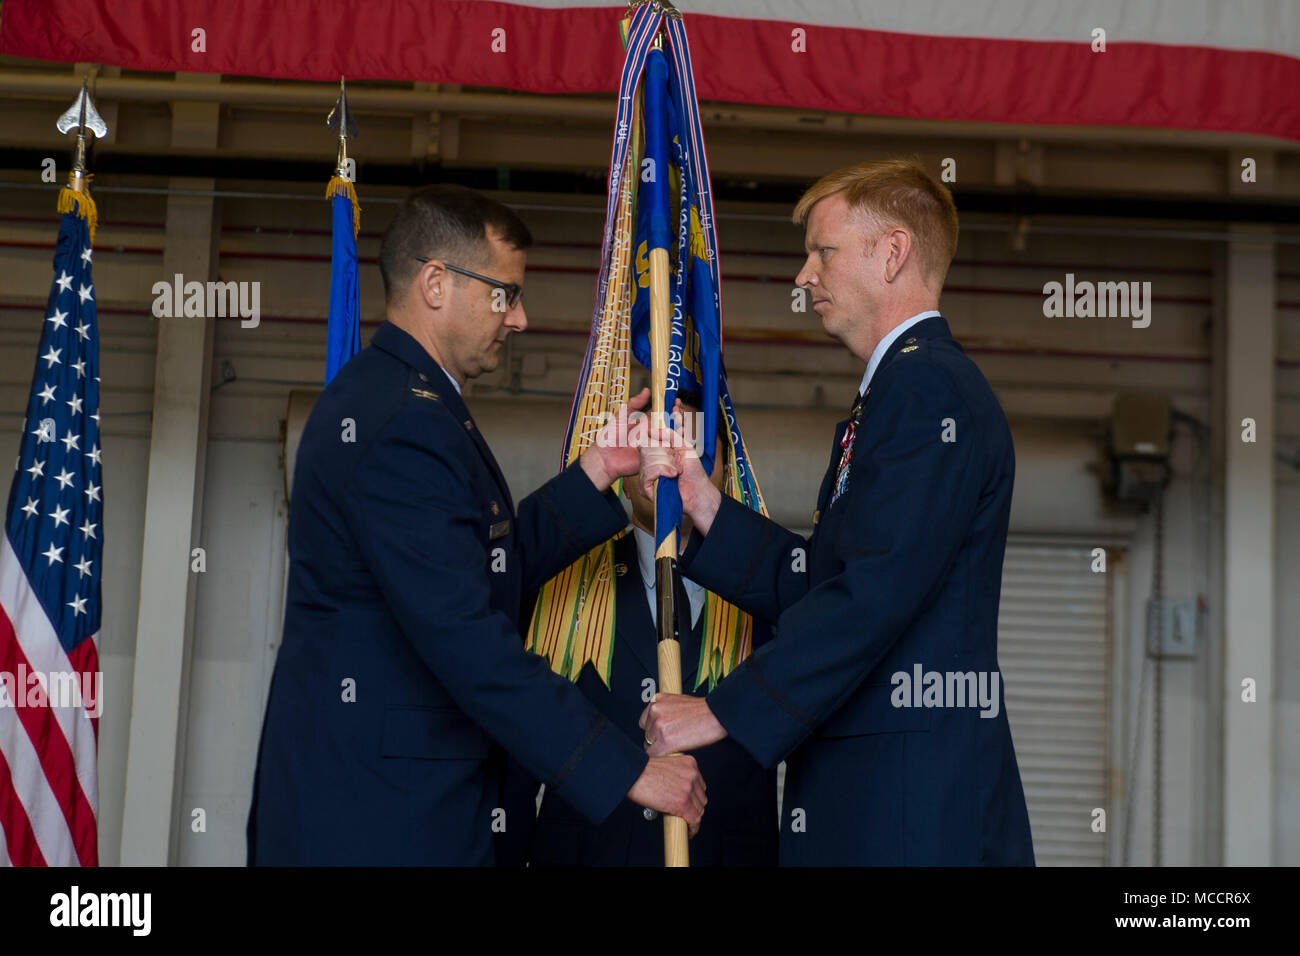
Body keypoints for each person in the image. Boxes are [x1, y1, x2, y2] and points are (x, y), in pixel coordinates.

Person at [247, 184, 705, 866]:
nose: (518, 319)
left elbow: (477, 574)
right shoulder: (402, 422)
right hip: (381, 821)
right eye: (505, 294)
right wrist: (625, 768)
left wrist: (595, 475)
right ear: (436, 283)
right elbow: (466, 636)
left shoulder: (405, 402)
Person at [637, 160, 1035, 866]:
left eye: (824, 251)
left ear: (892, 254)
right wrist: (706, 507)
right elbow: (828, 581)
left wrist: (723, 710)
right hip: (885, 793)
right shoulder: (899, 390)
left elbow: (873, 594)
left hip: (907, 807)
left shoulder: (926, 392)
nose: (803, 276)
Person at [500, 392, 778, 867]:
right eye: (655, 443)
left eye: (693, 446)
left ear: (725, 472)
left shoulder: (775, 591)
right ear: (626, 475)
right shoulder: (557, 580)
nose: (674, 459)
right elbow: (515, 743)